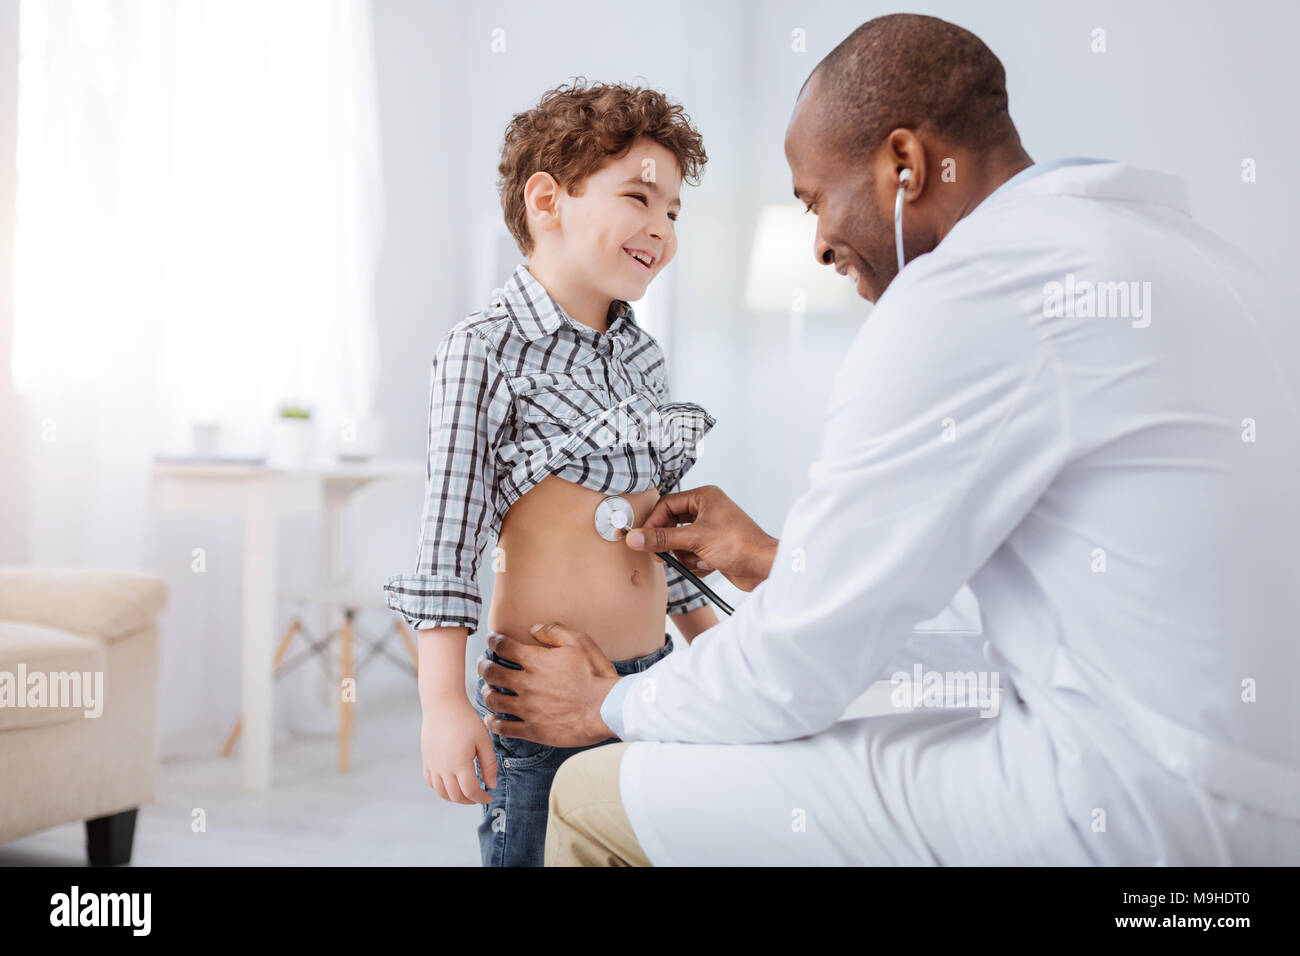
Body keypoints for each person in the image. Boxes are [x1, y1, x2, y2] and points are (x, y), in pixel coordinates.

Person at [477, 14, 1300, 865]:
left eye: (817, 200)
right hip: (1255, 808)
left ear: (904, 166)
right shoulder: (1200, 262)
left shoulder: (973, 292)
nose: (823, 243)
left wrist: (607, 709)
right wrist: (775, 561)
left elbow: (795, 678)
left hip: (1126, 815)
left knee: (589, 793)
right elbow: (1016, 634)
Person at [383, 79, 720, 867]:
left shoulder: (642, 355)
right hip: (539, 703)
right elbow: (447, 539)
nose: (662, 229)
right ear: (547, 201)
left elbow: (656, 533)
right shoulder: (485, 349)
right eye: (640, 197)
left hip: (647, 689)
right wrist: (440, 702)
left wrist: (712, 649)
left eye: (673, 211)